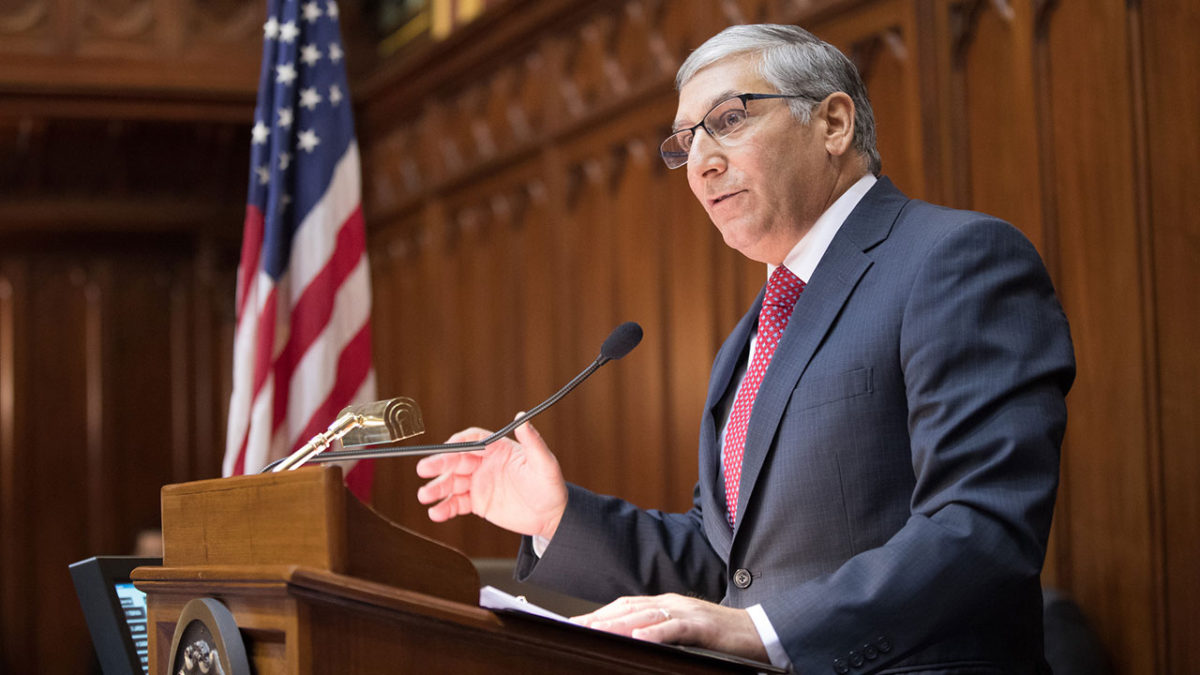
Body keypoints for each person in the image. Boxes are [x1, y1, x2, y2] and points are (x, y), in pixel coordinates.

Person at [416, 23, 1074, 674]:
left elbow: (980, 528)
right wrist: (556, 515)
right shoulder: (750, 336)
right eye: (684, 141)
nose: (700, 162)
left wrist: (763, 629)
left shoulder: (953, 260)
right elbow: (722, 564)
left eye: (728, 120)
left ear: (834, 124)